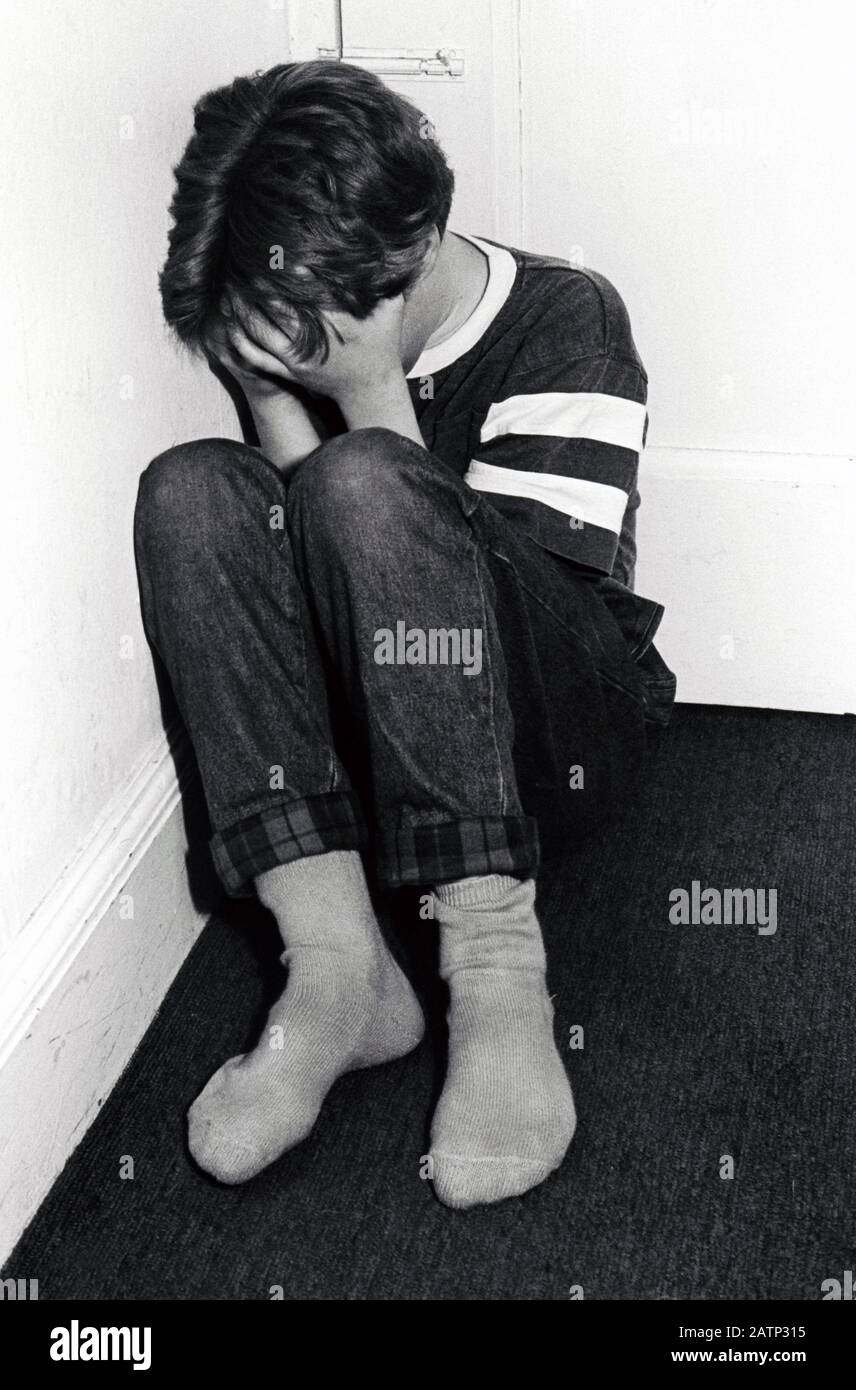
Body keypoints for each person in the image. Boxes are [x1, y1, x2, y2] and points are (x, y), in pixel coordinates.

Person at [134, 59, 675, 1210]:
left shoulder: (567, 319)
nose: (293, 347)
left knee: (369, 478)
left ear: (419, 242)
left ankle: (496, 976)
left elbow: (502, 607)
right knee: (189, 487)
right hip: (389, 752)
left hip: (560, 732)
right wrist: (274, 405)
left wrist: (373, 393)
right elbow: (327, 576)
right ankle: (339, 969)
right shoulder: (296, 333)